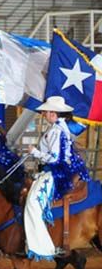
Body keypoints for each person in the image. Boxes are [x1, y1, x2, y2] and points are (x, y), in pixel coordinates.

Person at [24, 96, 89, 259]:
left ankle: (44, 248)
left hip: (55, 172)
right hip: (58, 170)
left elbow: (53, 158)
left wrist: (35, 152)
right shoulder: (60, 128)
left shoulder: (55, 131)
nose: (44, 114)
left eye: (46, 112)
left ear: (54, 113)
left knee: (32, 203)